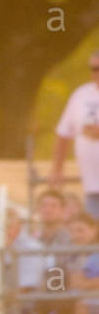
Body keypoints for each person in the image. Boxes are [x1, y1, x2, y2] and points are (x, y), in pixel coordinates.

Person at [50, 54, 99, 217]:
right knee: (92, 236)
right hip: (92, 186)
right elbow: (63, 133)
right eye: (93, 68)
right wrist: (57, 169)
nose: (96, 72)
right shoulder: (80, 95)